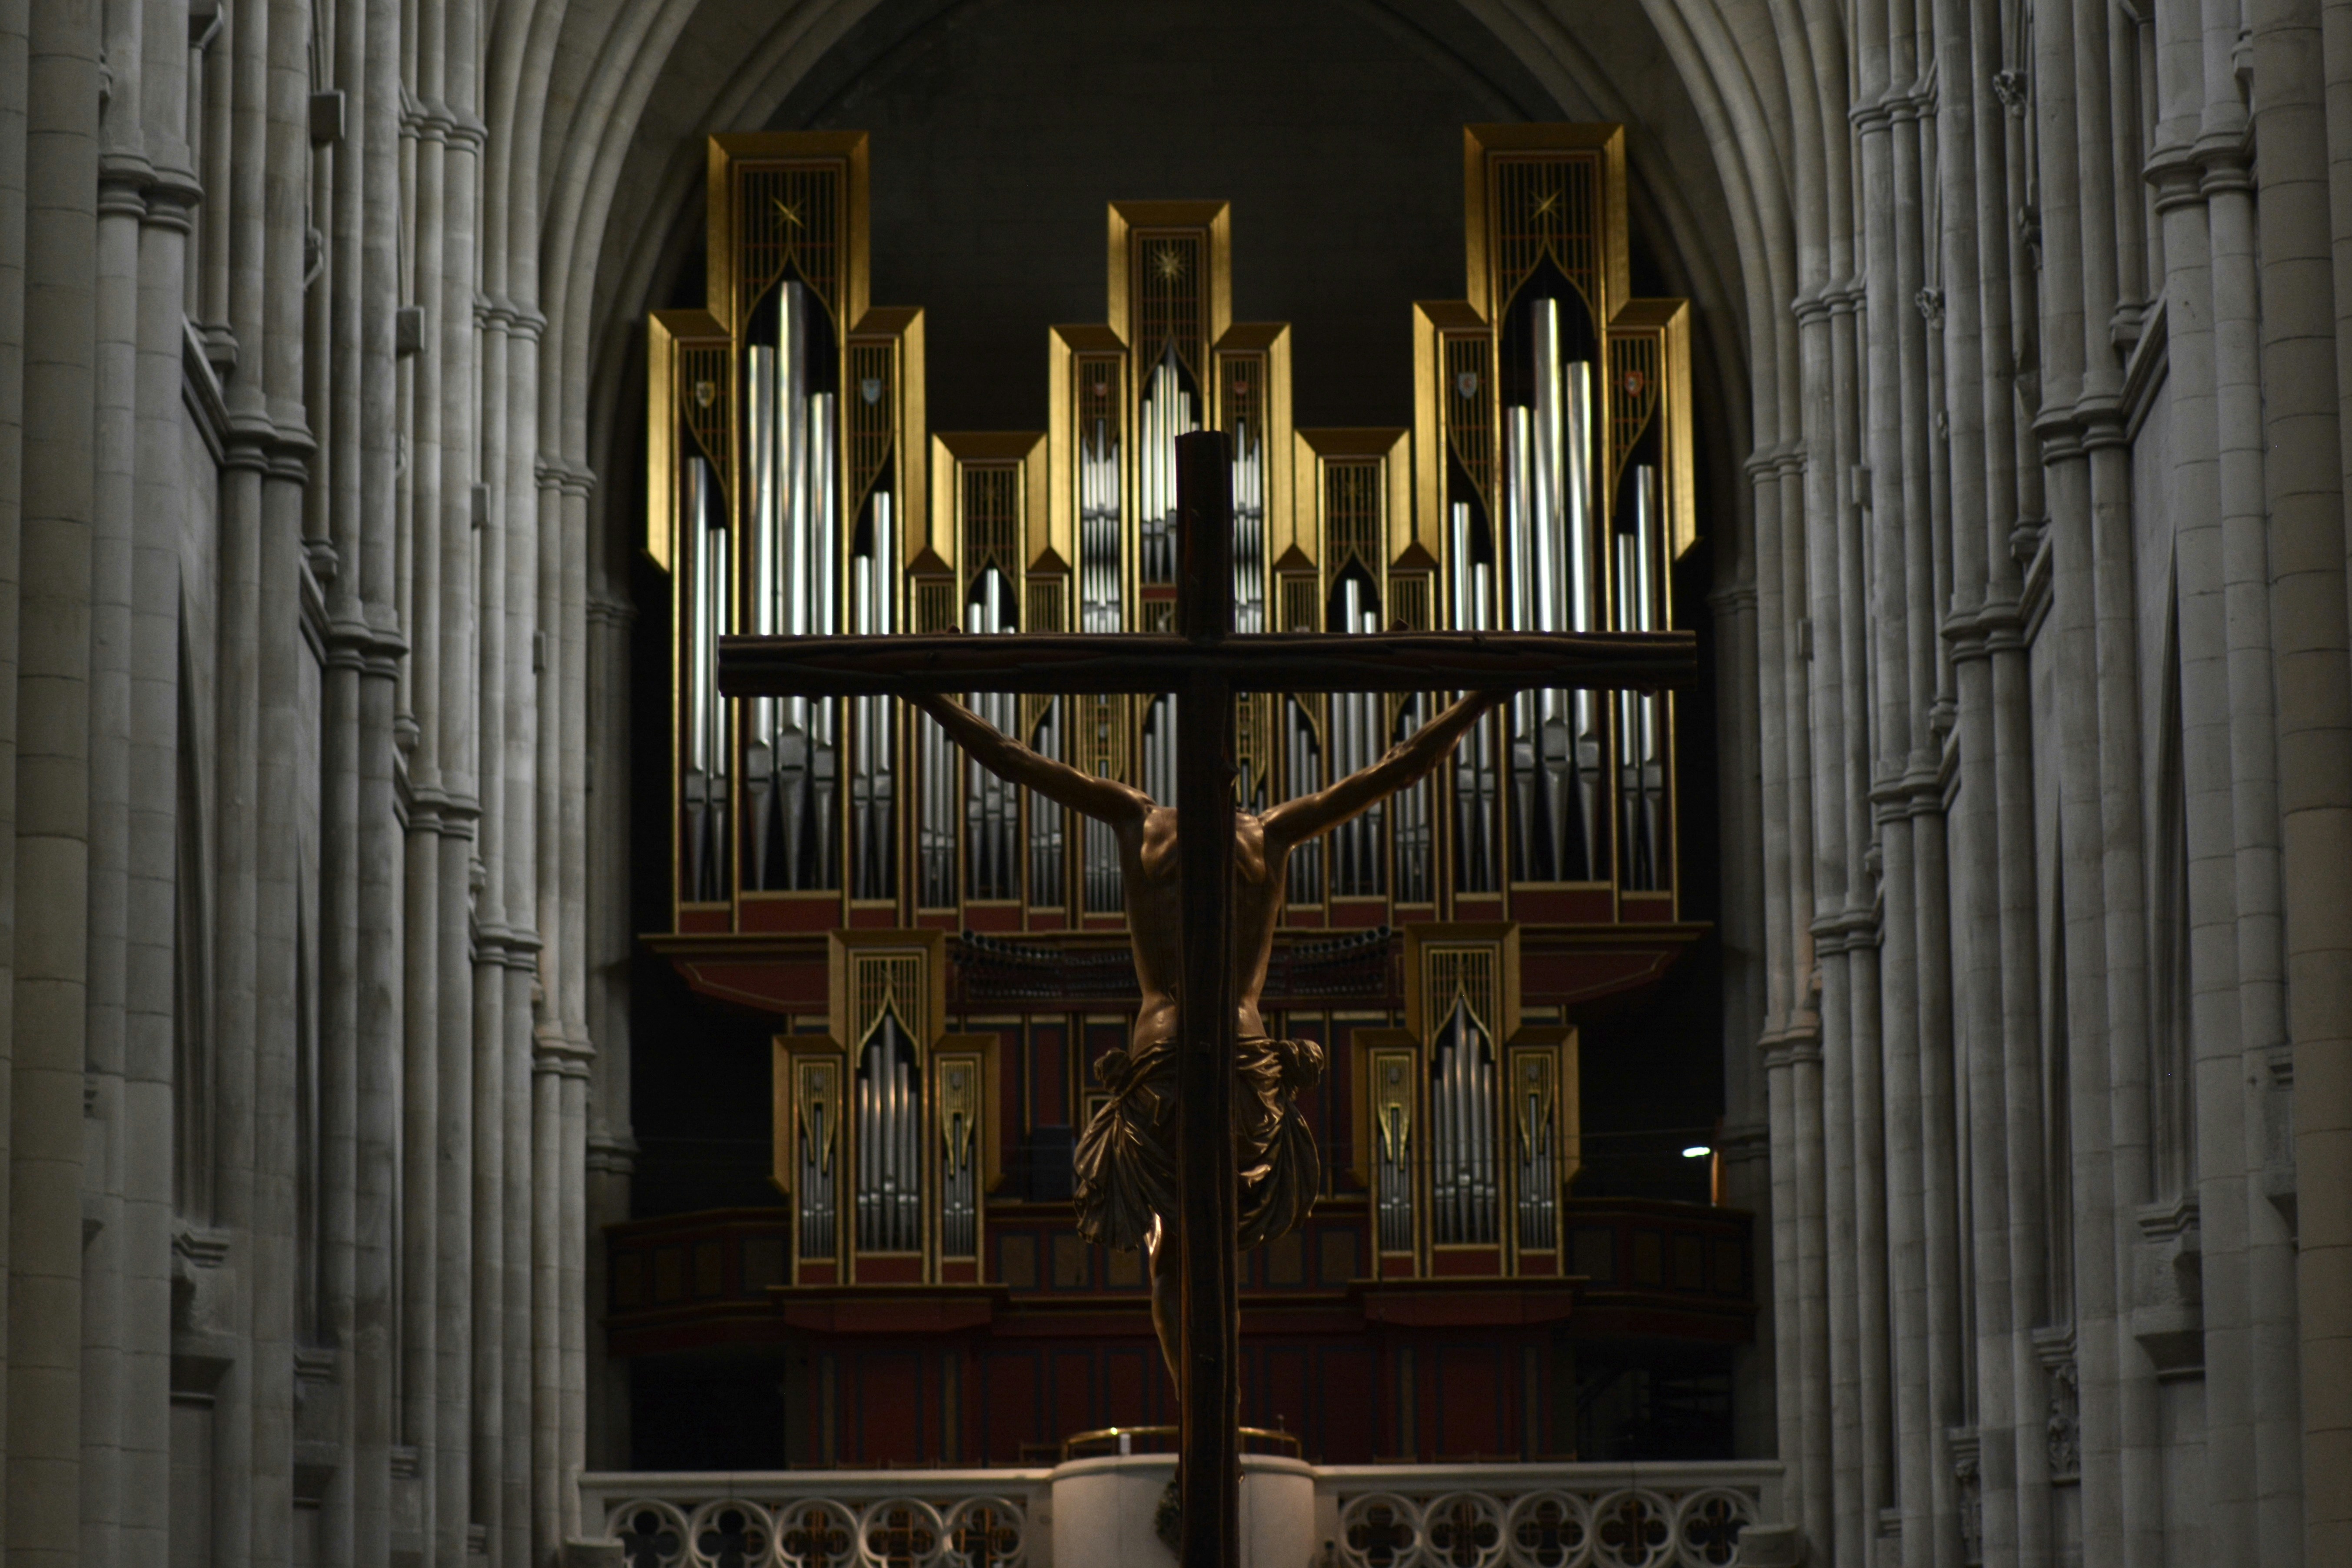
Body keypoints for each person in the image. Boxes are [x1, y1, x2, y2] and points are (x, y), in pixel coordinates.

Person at [908, 688, 1506, 1380]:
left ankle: (1196, 1403)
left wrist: (933, 696)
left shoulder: (1139, 819)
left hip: (1160, 1056)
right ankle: (1220, 1403)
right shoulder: (1272, 832)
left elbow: (1010, 757)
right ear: (1236, 766)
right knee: (1214, 1247)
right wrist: (1479, 698)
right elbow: (1401, 765)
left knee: (1171, 1251)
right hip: (1245, 1056)